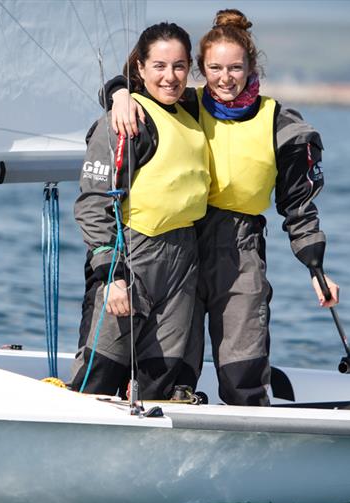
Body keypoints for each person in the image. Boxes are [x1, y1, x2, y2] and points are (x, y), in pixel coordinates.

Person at [103, 9, 340, 406]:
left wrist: (316, 269)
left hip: (241, 250)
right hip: (184, 246)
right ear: (201, 68)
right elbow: (136, 82)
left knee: (240, 371)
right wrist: (119, 94)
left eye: (235, 68)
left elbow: (298, 205)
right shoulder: (186, 105)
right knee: (172, 367)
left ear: (251, 66)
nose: (225, 78)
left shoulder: (280, 122)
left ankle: (251, 437)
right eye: (215, 68)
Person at [70, 22, 211, 400]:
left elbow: (235, 97)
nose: (170, 77)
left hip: (182, 263)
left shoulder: (192, 111)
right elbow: (92, 205)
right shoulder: (125, 121)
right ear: (141, 68)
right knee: (98, 377)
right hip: (132, 257)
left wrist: (116, 90)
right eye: (160, 66)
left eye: (179, 66)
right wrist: (112, 276)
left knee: (160, 384)